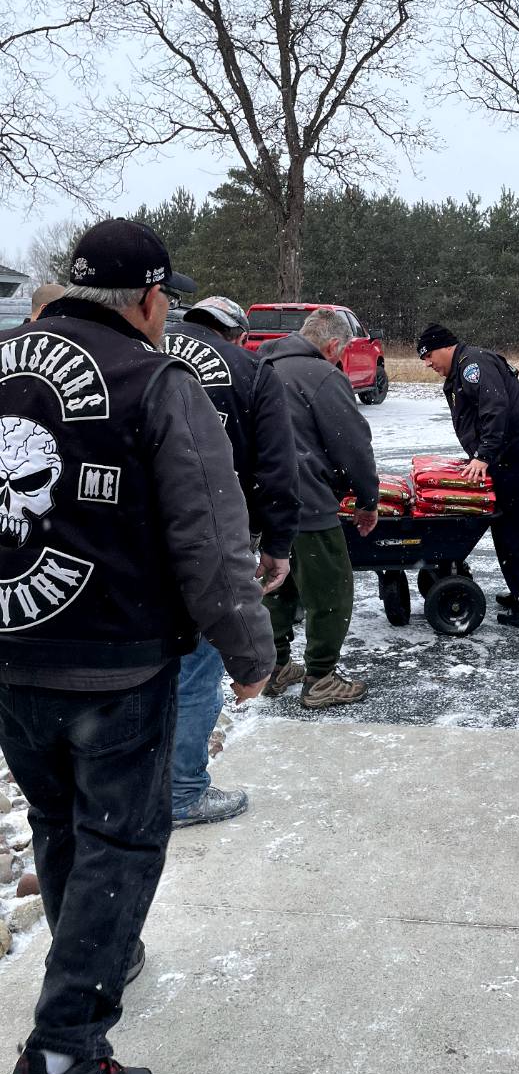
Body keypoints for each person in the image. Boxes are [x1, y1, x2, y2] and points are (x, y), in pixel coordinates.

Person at [0, 219, 274, 1074]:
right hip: (113, 661)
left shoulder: (3, 363)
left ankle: (98, 956)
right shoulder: (158, 379)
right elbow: (209, 532)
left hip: (14, 647)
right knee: (121, 839)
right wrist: (249, 651)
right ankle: (63, 1050)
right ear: (154, 300)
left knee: (60, 818)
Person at [163, 296, 300, 826]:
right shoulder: (249, 370)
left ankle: (134, 784)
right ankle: (181, 791)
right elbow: (276, 467)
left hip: (130, 542)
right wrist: (278, 546)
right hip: (213, 538)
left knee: (142, 665)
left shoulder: (141, 351)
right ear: (238, 334)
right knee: (197, 662)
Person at [261, 307, 379, 707]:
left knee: (276, 585)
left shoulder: (260, 366)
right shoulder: (323, 375)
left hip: (261, 504)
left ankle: (274, 668)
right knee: (331, 591)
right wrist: (367, 499)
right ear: (333, 346)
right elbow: (353, 446)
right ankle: (321, 677)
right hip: (307, 502)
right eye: (341, 351)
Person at [417, 323, 519, 628]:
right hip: (512, 457)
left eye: (428, 355)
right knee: (510, 531)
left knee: (517, 532)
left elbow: (495, 410)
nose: (427, 363)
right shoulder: (463, 368)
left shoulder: (472, 365)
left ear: (445, 346)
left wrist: (483, 455)